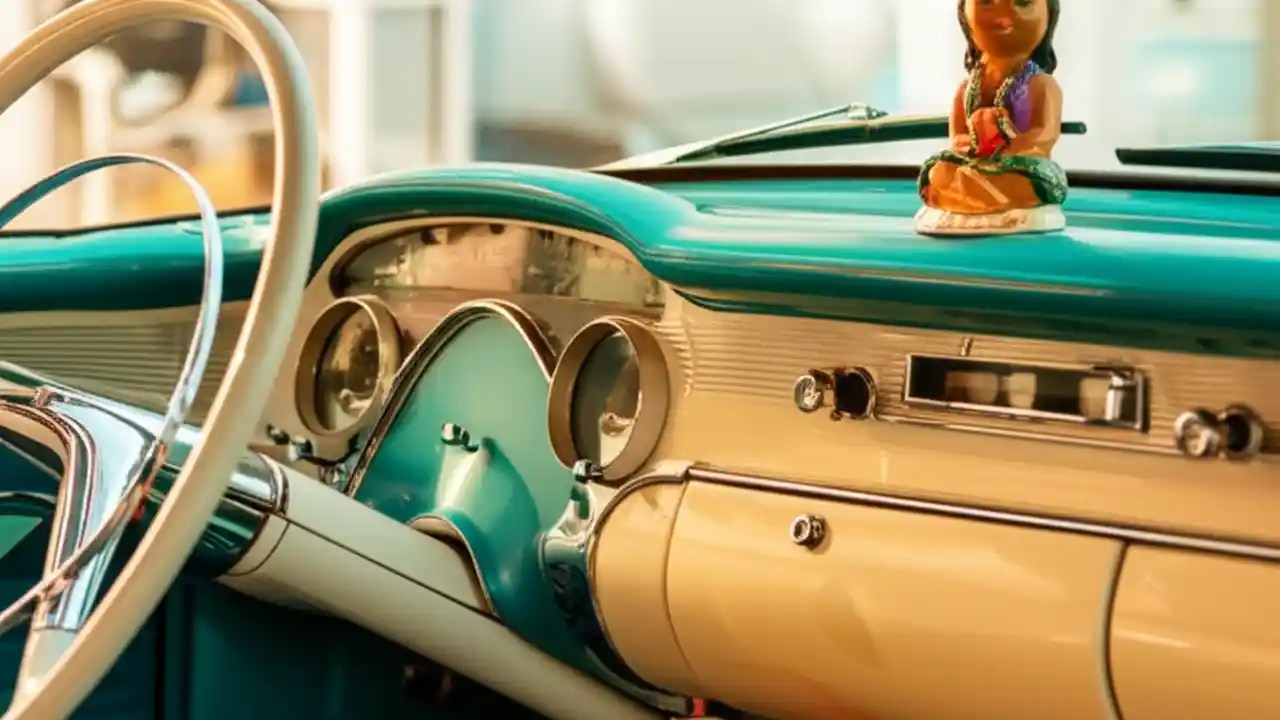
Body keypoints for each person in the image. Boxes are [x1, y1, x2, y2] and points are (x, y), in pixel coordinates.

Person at [915, 0, 1068, 234]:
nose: (1003, 18)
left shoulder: (1041, 85)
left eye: (1023, 3)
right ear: (964, 14)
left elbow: (1042, 138)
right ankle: (976, 197)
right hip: (977, 165)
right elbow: (957, 139)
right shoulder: (966, 89)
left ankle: (979, 198)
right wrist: (979, 142)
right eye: (987, 2)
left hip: (1017, 168)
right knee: (939, 173)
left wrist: (1006, 142)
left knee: (1025, 184)